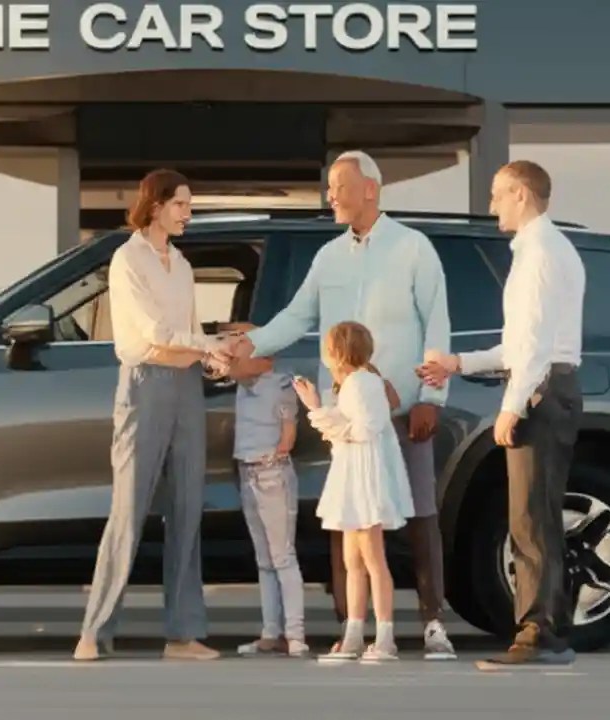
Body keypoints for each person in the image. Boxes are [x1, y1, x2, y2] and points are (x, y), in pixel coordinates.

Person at [220, 150, 456, 660]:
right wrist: (248, 344)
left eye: (338, 187)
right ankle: (353, 627)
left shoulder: (413, 248)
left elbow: (437, 323)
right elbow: (295, 317)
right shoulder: (328, 257)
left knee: (419, 515)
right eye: (329, 188)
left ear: (369, 189)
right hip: (344, 417)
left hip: (402, 409)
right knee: (347, 518)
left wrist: (432, 397)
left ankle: (433, 623)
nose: (330, 196)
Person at [417, 160, 585, 669]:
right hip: (550, 385)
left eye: (497, 194)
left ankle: (538, 635)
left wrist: (511, 407)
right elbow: (520, 344)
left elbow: (531, 347)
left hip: (541, 392)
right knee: (538, 518)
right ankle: (550, 631)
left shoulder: (539, 254)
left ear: (521, 195)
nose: (491, 205)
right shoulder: (547, 249)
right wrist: (458, 363)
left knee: (530, 520)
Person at [73, 169, 222, 662]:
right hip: (144, 387)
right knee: (129, 511)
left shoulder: (181, 264)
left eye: (189, 204)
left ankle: (183, 634)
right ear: (155, 206)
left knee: (187, 510)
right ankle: (94, 632)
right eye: (181, 204)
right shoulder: (127, 259)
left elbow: (187, 330)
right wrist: (207, 345)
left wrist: (211, 357)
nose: (188, 213)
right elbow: (154, 333)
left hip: (187, 388)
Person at [294, 321, 414, 662]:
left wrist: (317, 410)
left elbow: (363, 430)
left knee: (373, 559)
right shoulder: (353, 384)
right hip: (352, 476)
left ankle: (385, 638)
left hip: (364, 479)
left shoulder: (362, 383)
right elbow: (345, 431)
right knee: (353, 561)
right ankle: (353, 636)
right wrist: (321, 410)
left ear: (337, 352)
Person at [225, 340, 311, 659]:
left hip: (271, 471)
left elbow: (289, 432)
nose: (233, 361)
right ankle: (270, 632)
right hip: (247, 470)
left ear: (264, 358)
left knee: (282, 555)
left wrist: (280, 449)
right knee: (264, 559)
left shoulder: (281, 384)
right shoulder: (243, 385)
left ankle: (295, 634)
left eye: (240, 354)